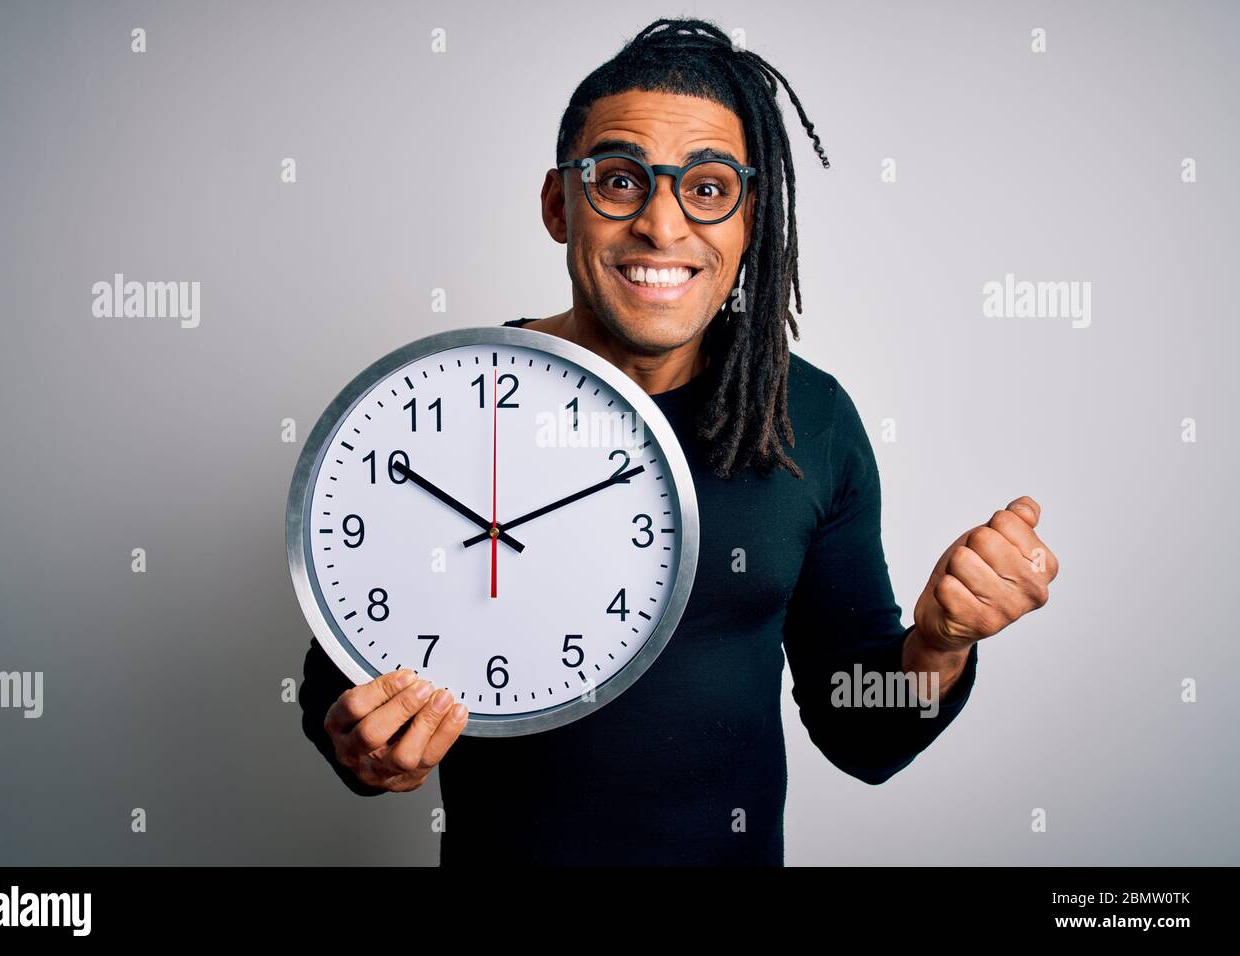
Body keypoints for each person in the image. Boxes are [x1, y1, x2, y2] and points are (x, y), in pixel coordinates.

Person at [299, 17, 1058, 866]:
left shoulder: (811, 421)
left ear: (748, 218)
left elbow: (861, 737)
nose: (662, 226)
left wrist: (939, 647)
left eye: (706, 188)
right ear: (560, 204)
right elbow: (341, 684)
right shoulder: (440, 402)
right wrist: (359, 747)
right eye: (620, 181)